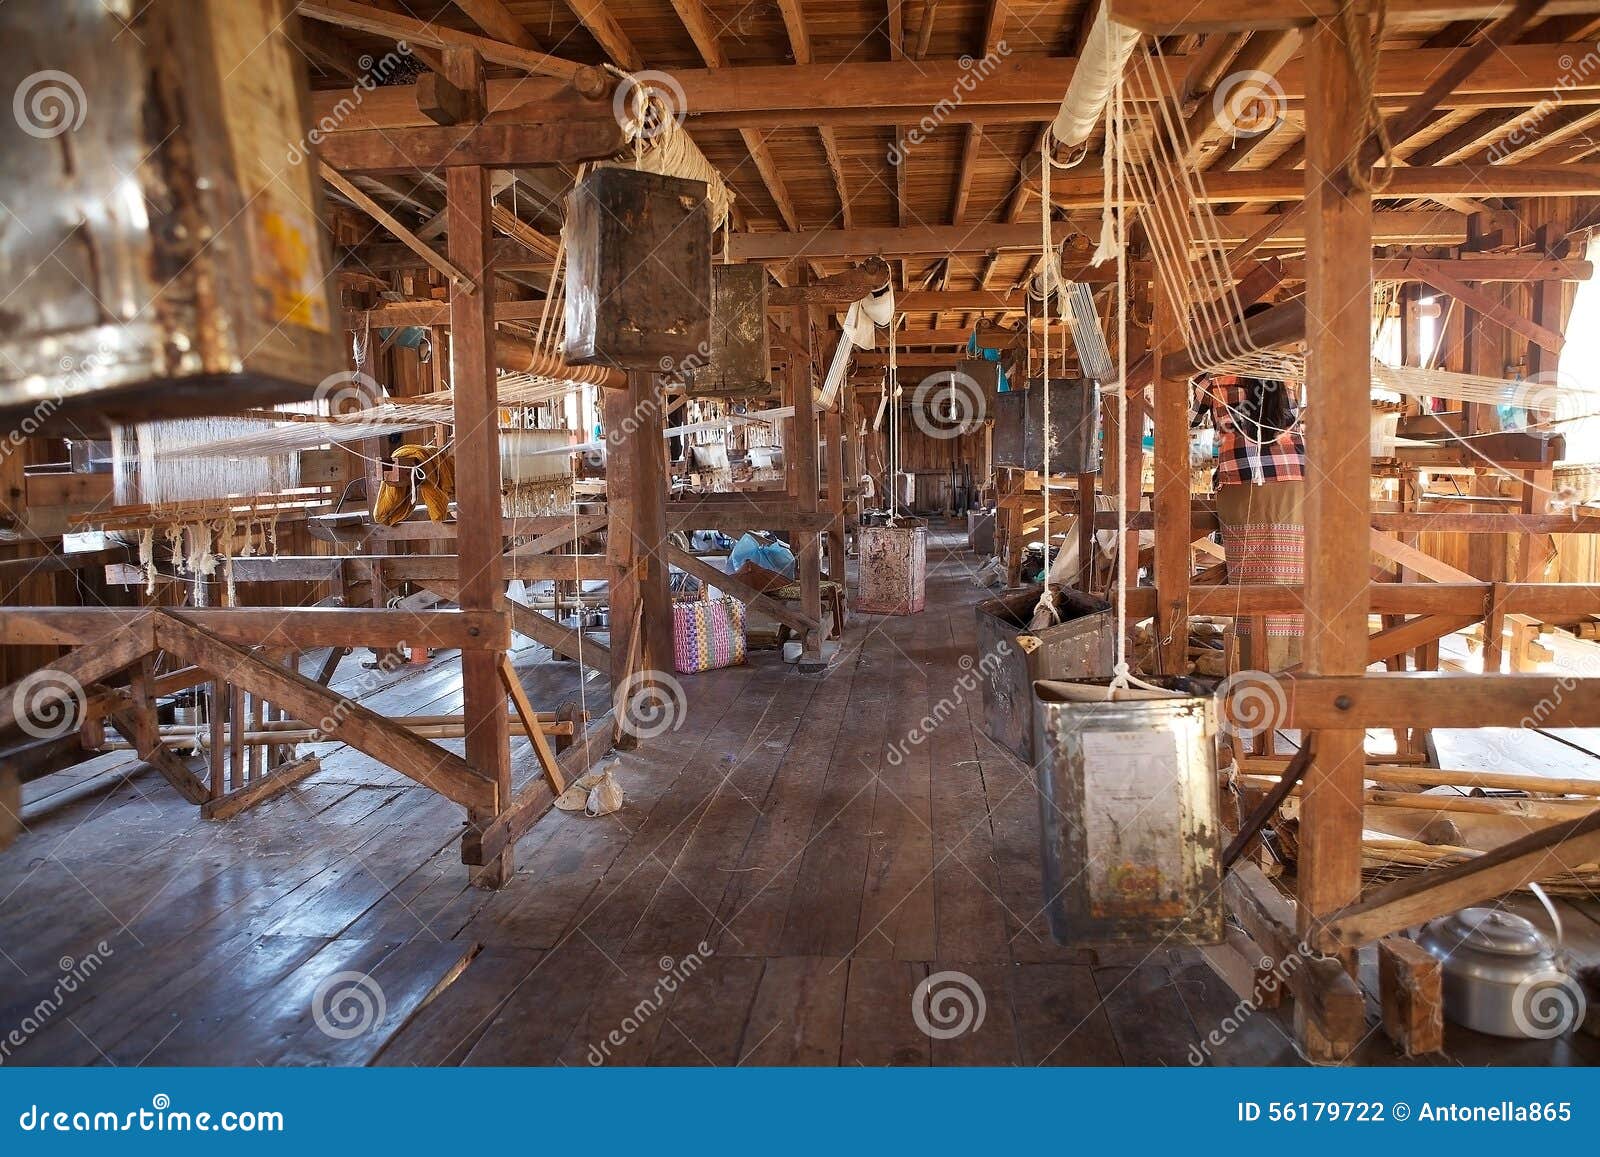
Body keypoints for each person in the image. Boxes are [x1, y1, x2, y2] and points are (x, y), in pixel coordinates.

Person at [1197, 364, 1306, 671]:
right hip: (1297, 482)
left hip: (1243, 483)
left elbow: (1185, 421)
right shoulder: (1286, 372)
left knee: (1250, 582)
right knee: (1293, 580)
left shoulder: (1213, 376)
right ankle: (1294, 670)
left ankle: (1255, 669)